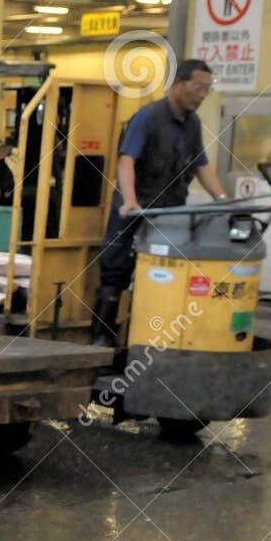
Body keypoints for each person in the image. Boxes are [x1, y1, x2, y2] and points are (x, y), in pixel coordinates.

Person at [92, 58, 228, 346]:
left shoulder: (193, 124)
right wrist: (130, 200)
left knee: (160, 272)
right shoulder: (148, 117)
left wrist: (223, 200)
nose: (203, 95)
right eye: (198, 88)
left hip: (168, 213)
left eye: (207, 89)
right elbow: (127, 160)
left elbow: (202, 165)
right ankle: (102, 341)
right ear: (178, 84)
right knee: (115, 270)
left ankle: (144, 337)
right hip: (135, 207)